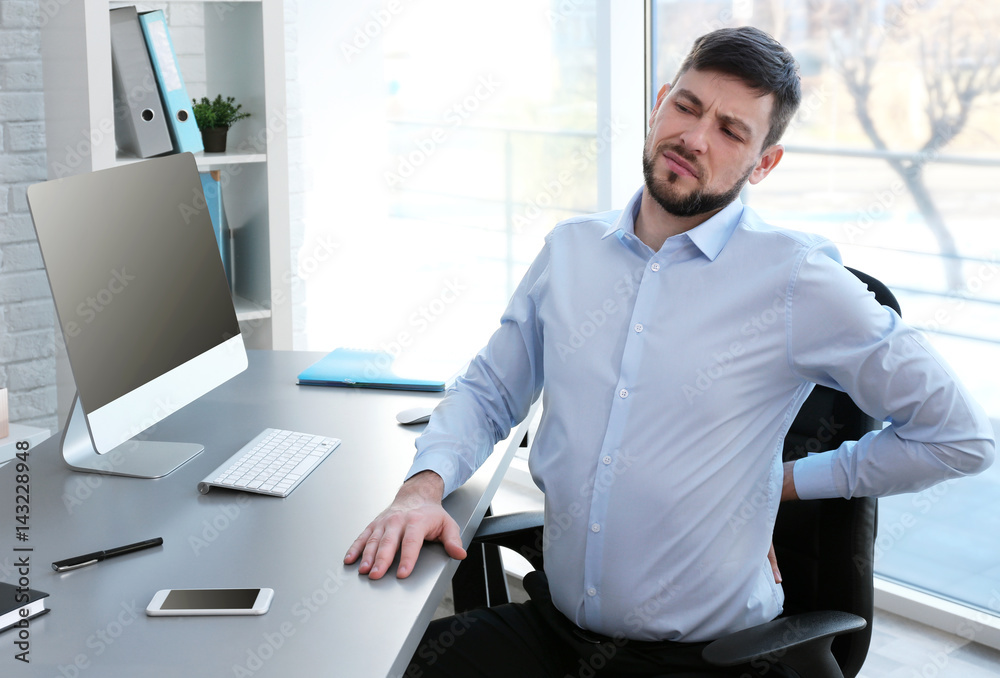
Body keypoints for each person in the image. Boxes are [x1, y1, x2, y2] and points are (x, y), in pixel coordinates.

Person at [344, 26, 995, 677]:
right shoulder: (570, 252)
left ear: (763, 163)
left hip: (702, 660)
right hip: (552, 628)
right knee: (376, 661)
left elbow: (960, 437)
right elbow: (488, 390)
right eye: (687, 107)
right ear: (659, 104)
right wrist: (420, 491)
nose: (695, 138)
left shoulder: (798, 282)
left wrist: (784, 484)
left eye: (732, 131)